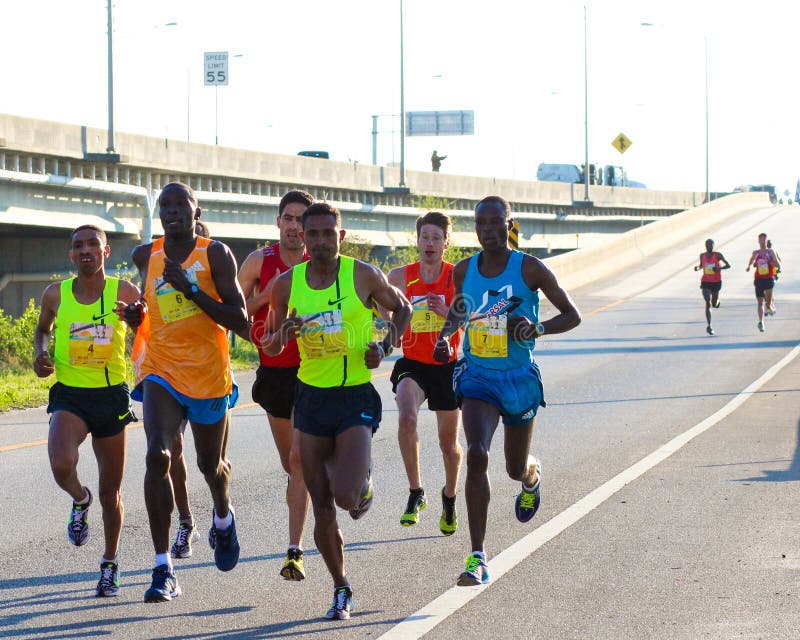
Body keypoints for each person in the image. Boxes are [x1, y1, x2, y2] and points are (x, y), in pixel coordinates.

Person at [263, 202, 412, 620]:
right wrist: (283, 335)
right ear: (302, 238)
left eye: (330, 233)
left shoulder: (362, 274)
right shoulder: (286, 285)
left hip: (353, 397)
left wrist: (384, 345)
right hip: (310, 399)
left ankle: (361, 481)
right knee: (322, 502)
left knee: (346, 497)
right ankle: (341, 587)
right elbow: (270, 344)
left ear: (340, 236)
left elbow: (404, 309)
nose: (322, 241)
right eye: (314, 234)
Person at [433, 195, 581, 587]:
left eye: (495, 223)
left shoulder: (530, 268)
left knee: (513, 466)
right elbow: (461, 308)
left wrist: (536, 329)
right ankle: (478, 556)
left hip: (518, 378)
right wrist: (446, 337)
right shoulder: (464, 269)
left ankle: (531, 477)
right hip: (479, 375)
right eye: (481, 224)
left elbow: (572, 315)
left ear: (508, 223)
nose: (488, 231)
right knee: (478, 453)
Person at [122, 182, 248, 603]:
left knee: (211, 466)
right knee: (157, 453)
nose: (172, 211)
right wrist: (135, 315)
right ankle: (163, 568)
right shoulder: (147, 255)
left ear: (196, 211)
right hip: (160, 369)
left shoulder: (215, 254)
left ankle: (223, 518)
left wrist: (191, 290)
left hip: (209, 375)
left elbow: (241, 321)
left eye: (181, 204)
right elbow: (148, 309)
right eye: (166, 205)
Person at [33, 225, 141, 597]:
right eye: (78, 246)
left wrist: (137, 318)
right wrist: (39, 353)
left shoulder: (123, 292)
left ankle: (110, 564)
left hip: (110, 396)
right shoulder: (55, 294)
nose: (85, 251)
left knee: (111, 491)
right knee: (61, 463)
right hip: (70, 394)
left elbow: (146, 328)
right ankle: (80, 499)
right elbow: (42, 330)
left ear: (106, 251)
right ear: (71, 255)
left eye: (92, 244)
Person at [237, 189, 314, 580]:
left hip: (314, 371)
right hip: (274, 372)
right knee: (292, 464)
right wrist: (266, 296)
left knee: (301, 461)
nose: (295, 226)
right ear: (278, 222)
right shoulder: (258, 261)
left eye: (302, 220)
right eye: (289, 218)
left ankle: (294, 550)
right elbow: (232, 310)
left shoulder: (318, 262)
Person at [385, 211, 463, 534]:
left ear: (446, 243)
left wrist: (447, 313)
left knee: (449, 446)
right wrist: (390, 317)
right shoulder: (401, 276)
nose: (429, 243)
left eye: (436, 238)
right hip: (414, 362)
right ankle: (416, 492)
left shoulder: (456, 276)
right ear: (416, 241)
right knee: (406, 416)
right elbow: (379, 302)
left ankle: (449, 496)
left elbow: (468, 316)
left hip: (446, 364)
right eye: (424, 237)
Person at [693, 238, 730, 335]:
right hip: (705, 281)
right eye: (707, 244)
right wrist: (698, 268)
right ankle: (709, 326)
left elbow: (728, 265)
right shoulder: (702, 255)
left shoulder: (718, 255)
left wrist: (719, 268)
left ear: (713, 245)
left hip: (716, 282)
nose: (709, 246)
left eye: (710, 245)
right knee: (707, 302)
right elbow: (701, 265)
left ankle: (717, 302)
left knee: (713, 303)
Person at [746, 232, 780, 332]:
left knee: (768, 304)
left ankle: (770, 308)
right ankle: (761, 322)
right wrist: (749, 266)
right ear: (758, 241)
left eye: (764, 240)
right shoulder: (755, 252)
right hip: (759, 279)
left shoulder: (770, 252)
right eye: (760, 240)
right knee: (760, 302)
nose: (762, 242)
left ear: (766, 241)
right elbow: (752, 260)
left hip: (769, 279)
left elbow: (778, 264)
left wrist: (768, 261)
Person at [765, 239, 782, 315]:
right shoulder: (766, 252)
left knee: (769, 291)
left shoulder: (772, 251)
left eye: (770, 244)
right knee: (768, 291)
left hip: (772, 273)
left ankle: (769, 306)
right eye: (768, 244)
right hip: (766, 273)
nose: (769, 245)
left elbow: (779, 261)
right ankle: (768, 306)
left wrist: (778, 269)